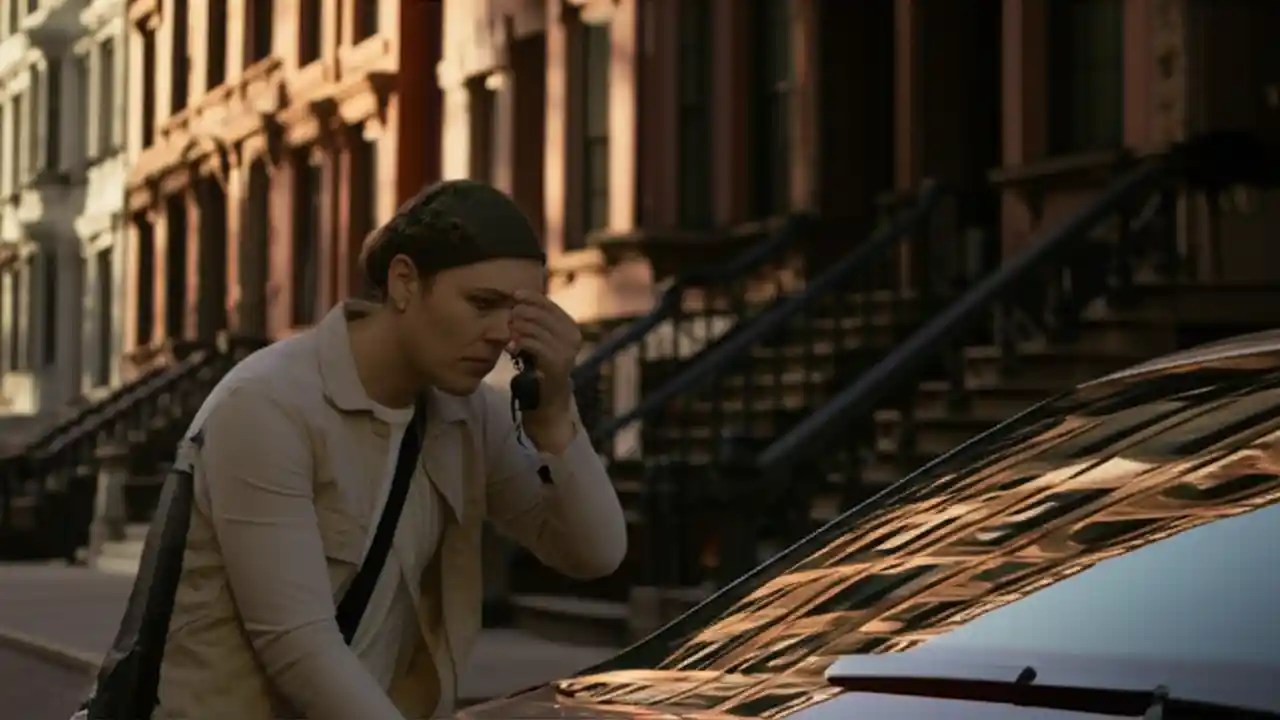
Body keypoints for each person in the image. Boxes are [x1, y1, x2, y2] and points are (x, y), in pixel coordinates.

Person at [152, 180, 627, 719]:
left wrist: (555, 414)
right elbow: (297, 645)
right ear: (404, 282)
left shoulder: (470, 413)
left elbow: (595, 553)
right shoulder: (267, 404)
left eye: (519, 312)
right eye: (482, 303)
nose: (503, 335)